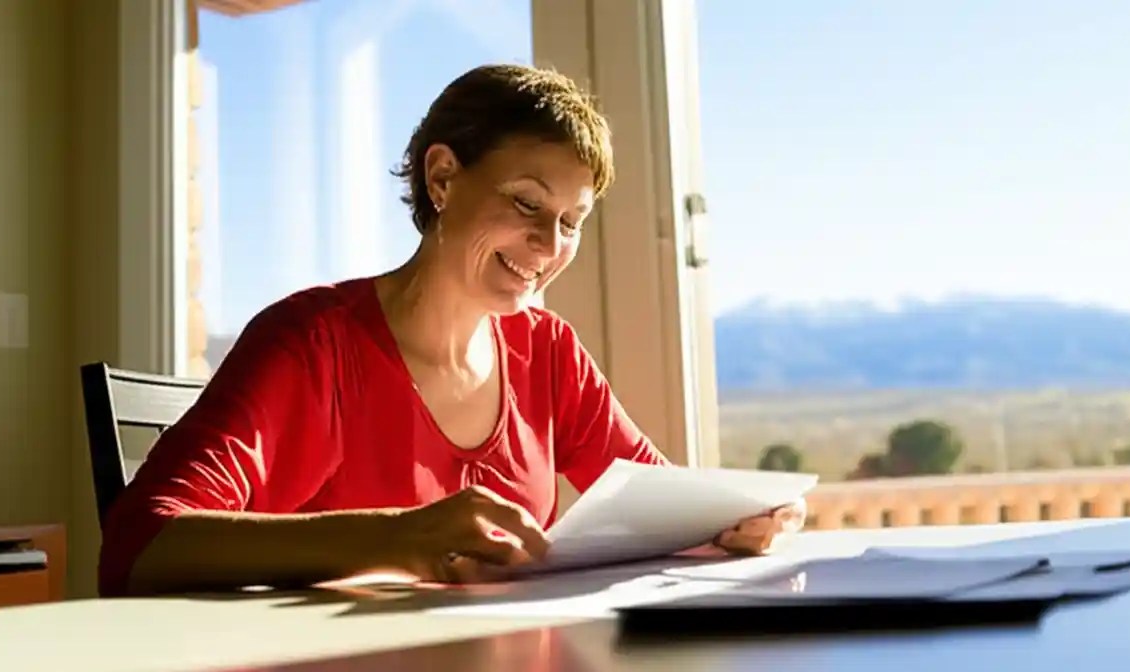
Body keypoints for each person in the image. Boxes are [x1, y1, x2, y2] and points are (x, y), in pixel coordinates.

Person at [99, 63, 806, 597]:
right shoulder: (310, 344)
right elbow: (138, 547)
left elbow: (664, 503)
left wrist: (736, 518)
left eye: (571, 222)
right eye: (526, 203)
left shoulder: (548, 352)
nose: (548, 244)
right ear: (442, 178)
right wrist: (397, 536)